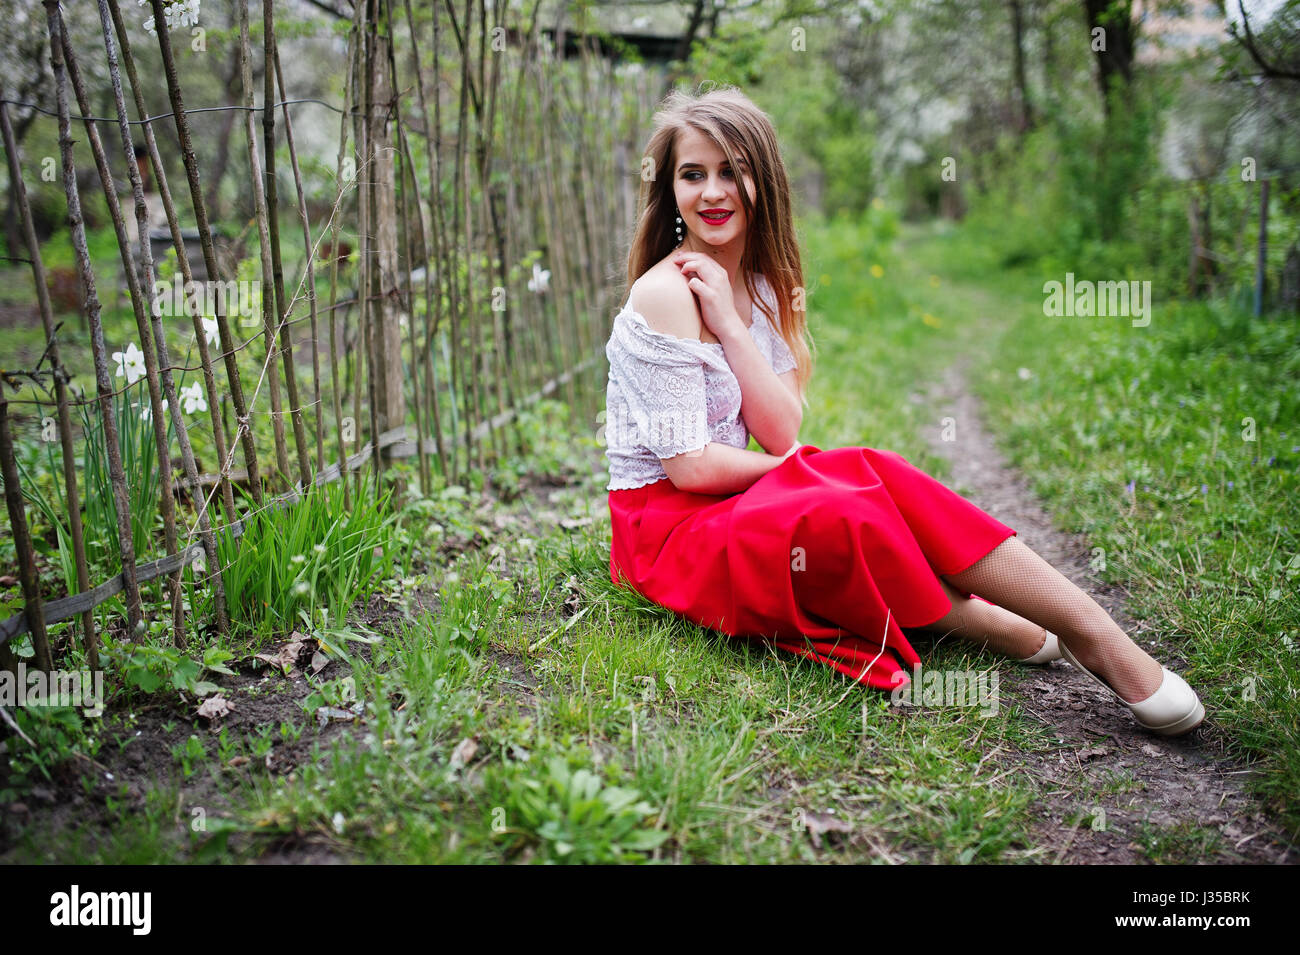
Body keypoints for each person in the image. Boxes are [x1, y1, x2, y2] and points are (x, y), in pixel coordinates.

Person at [602, 85, 1204, 738]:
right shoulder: (662, 293)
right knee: (838, 499)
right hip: (665, 532)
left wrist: (734, 325)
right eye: (693, 174)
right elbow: (688, 469)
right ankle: (967, 616)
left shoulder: (761, 284)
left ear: (763, 181)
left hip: (725, 500)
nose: (713, 191)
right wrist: (799, 469)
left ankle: (1094, 631)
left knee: (865, 475)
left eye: (732, 169)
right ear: (671, 191)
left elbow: (779, 429)